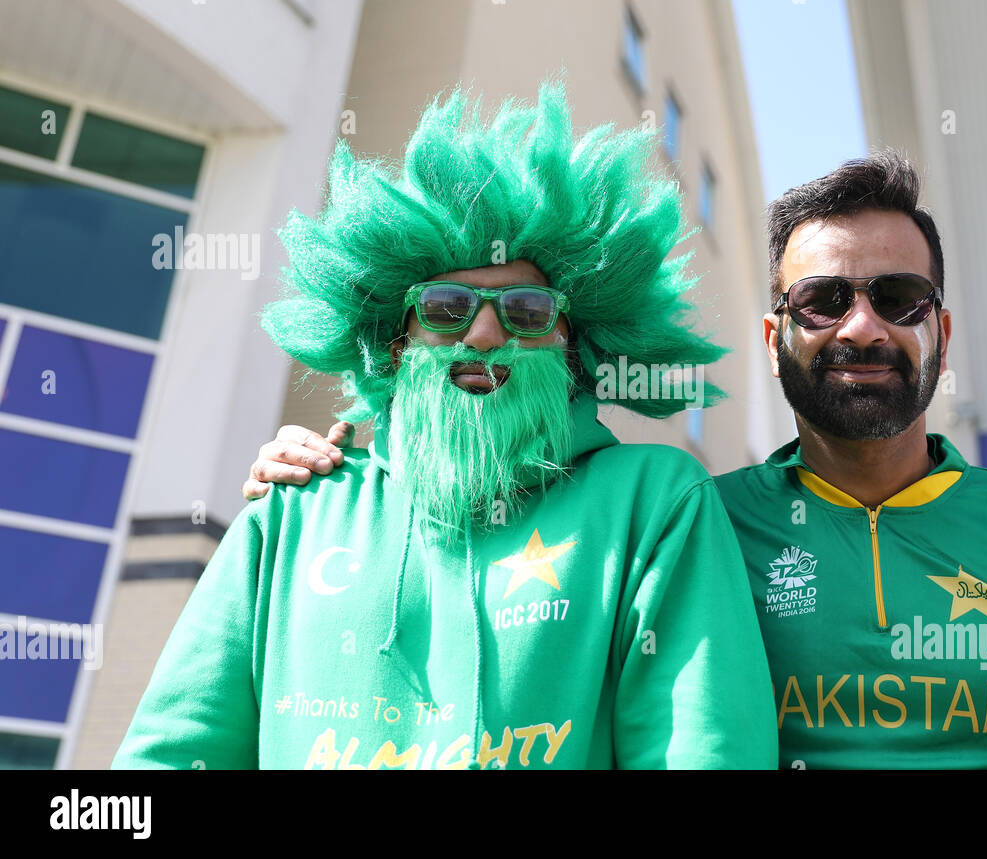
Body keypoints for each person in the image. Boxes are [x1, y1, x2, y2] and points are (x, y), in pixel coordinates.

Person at [245, 152, 987, 768]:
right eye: (823, 299)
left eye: (898, 296)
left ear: (941, 327)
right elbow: (491, 508)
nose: (862, 325)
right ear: (773, 337)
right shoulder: (683, 521)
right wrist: (342, 482)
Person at [113, 84, 777, 770]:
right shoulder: (290, 515)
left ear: (572, 354)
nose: (484, 333)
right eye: (446, 306)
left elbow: (707, 751)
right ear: (398, 347)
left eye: (526, 310)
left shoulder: (654, 502)